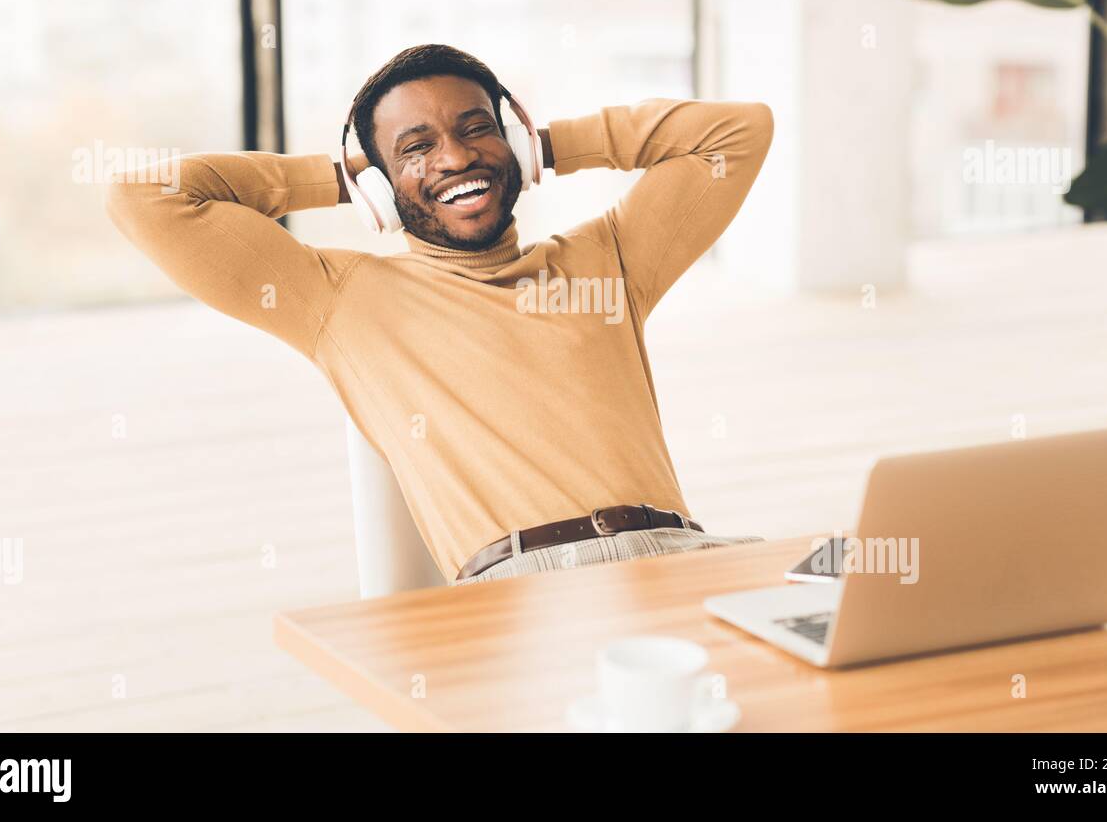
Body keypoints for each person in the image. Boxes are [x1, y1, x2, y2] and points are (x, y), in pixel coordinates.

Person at [106, 43, 775, 586]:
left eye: (477, 129)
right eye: (415, 147)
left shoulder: (610, 259)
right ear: (378, 183)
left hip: (685, 561)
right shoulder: (338, 299)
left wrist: (552, 144)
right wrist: (337, 177)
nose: (455, 158)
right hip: (521, 589)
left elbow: (739, 131)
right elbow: (143, 197)